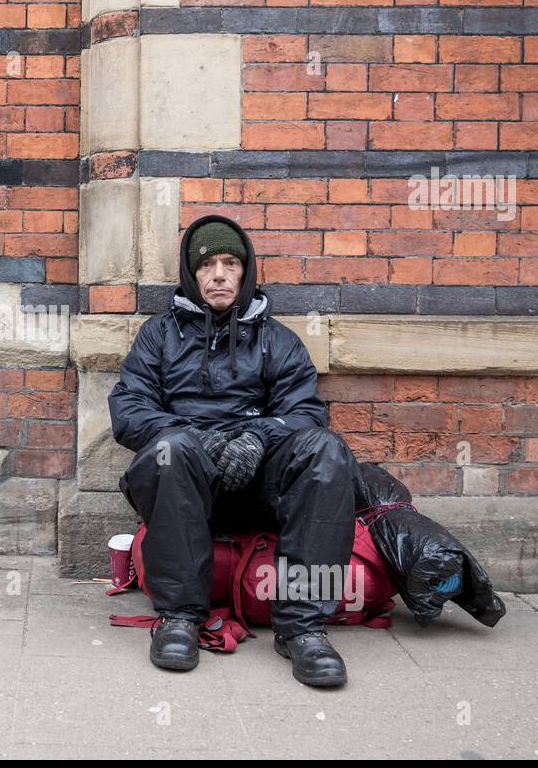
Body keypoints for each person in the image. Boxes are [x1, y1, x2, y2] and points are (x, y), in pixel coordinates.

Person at [108, 214, 363, 688]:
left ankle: (303, 628)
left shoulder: (277, 340)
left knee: (325, 450)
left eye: (230, 263)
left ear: (246, 272)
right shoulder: (159, 336)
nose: (219, 274)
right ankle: (180, 617)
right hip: (184, 481)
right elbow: (129, 409)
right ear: (191, 273)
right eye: (207, 265)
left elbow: (305, 412)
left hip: (258, 482)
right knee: (172, 448)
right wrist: (193, 435)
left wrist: (257, 437)